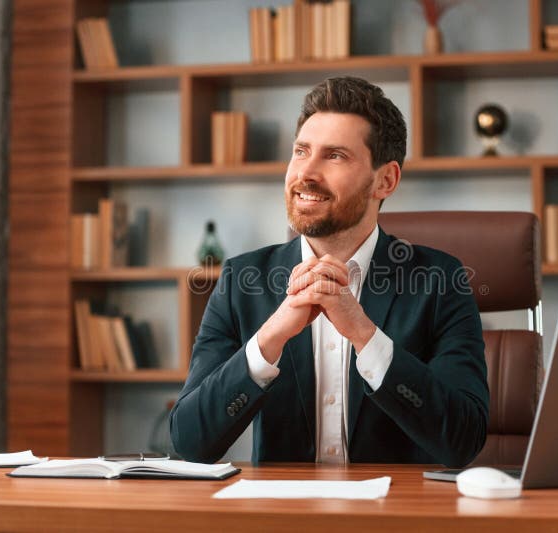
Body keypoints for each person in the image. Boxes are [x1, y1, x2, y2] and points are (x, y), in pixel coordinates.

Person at [170, 77, 488, 468]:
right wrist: (270, 338)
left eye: (335, 156)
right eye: (301, 151)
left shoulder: (440, 281)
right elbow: (189, 442)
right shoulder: (241, 280)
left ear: (385, 180)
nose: (306, 173)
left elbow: (463, 440)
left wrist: (363, 334)